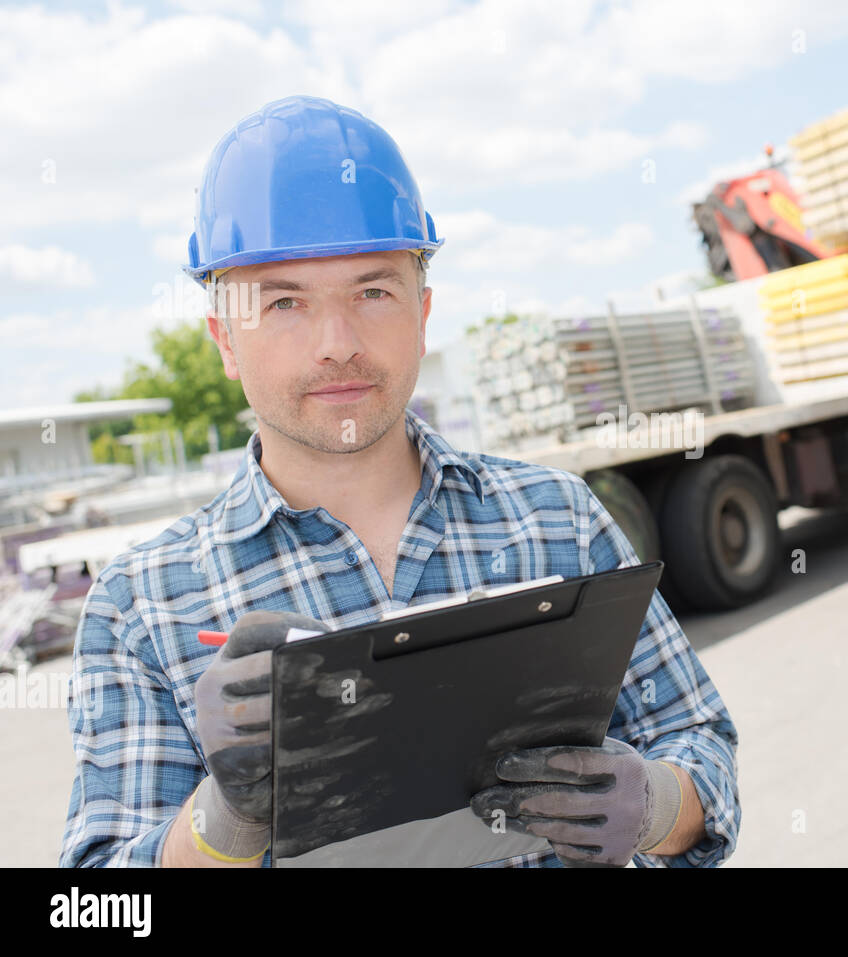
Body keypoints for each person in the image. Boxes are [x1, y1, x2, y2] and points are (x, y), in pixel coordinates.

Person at [59, 95, 740, 868]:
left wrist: (654, 803)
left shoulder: (557, 519)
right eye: (284, 301)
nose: (337, 343)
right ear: (224, 339)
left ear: (422, 309)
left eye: (372, 291)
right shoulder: (142, 605)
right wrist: (225, 819)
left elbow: (700, 741)